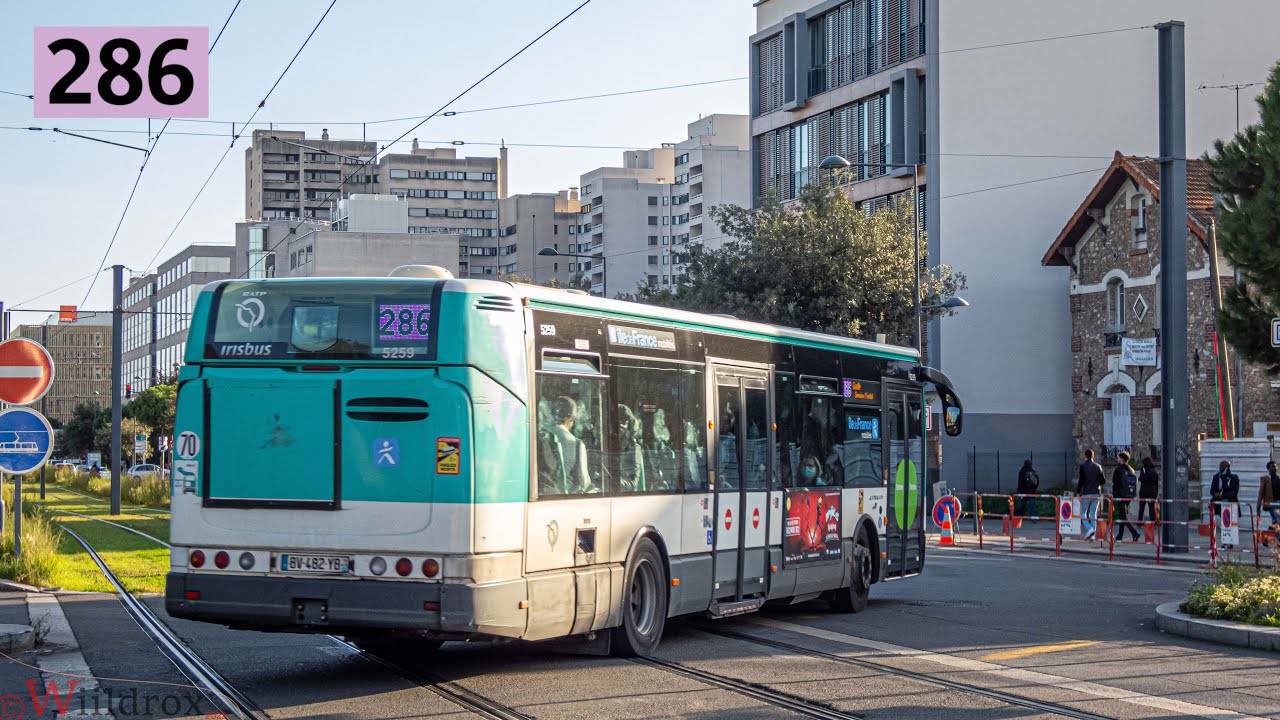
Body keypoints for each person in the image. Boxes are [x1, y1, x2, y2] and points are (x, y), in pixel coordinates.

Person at [541, 396, 591, 495]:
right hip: (565, 497)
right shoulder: (577, 444)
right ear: (572, 417)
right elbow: (584, 482)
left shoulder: (543, 437)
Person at [1210, 460, 1241, 549]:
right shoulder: (1216, 477)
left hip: (1230, 503)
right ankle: (1225, 541)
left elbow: (1234, 492)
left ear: (1228, 468)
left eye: (1223, 468)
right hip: (1219, 504)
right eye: (1220, 468)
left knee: (1229, 524)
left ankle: (1229, 542)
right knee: (1222, 523)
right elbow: (1212, 490)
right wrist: (1215, 494)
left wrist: (1223, 495)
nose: (1221, 469)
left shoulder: (1234, 478)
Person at [1110, 450, 1140, 542]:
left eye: (1118, 458)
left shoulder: (1118, 469)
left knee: (1122, 516)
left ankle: (1134, 533)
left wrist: (1113, 494)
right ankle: (1120, 535)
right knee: (1122, 515)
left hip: (1120, 494)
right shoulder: (1131, 469)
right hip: (1129, 494)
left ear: (1122, 459)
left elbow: (1115, 482)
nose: (1117, 459)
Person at [1077, 449, 1105, 540]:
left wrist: (1078, 492)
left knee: (1082, 513)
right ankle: (1093, 534)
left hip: (1086, 492)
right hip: (1096, 493)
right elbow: (1103, 481)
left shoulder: (1082, 466)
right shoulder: (1098, 466)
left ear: (1085, 456)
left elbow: (1081, 481)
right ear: (1093, 456)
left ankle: (1089, 530)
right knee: (1093, 514)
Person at [1136, 456, 1159, 528]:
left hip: (1144, 492)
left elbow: (1141, 479)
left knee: (1141, 508)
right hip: (1152, 492)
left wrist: (1145, 474)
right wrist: (1156, 493)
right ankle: (1154, 523)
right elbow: (1156, 483)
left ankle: (1139, 523)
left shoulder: (1144, 469)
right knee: (1151, 508)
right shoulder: (1154, 471)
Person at [1256, 473, 1277, 547]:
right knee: (1276, 520)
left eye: (1275, 466)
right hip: (1271, 504)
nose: (1274, 468)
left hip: (1278, 503)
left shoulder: (1278, 478)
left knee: (1276, 522)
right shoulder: (1266, 479)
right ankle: (1268, 539)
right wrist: (1258, 509)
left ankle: (1266, 539)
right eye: (1271, 467)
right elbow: (1260, 494)